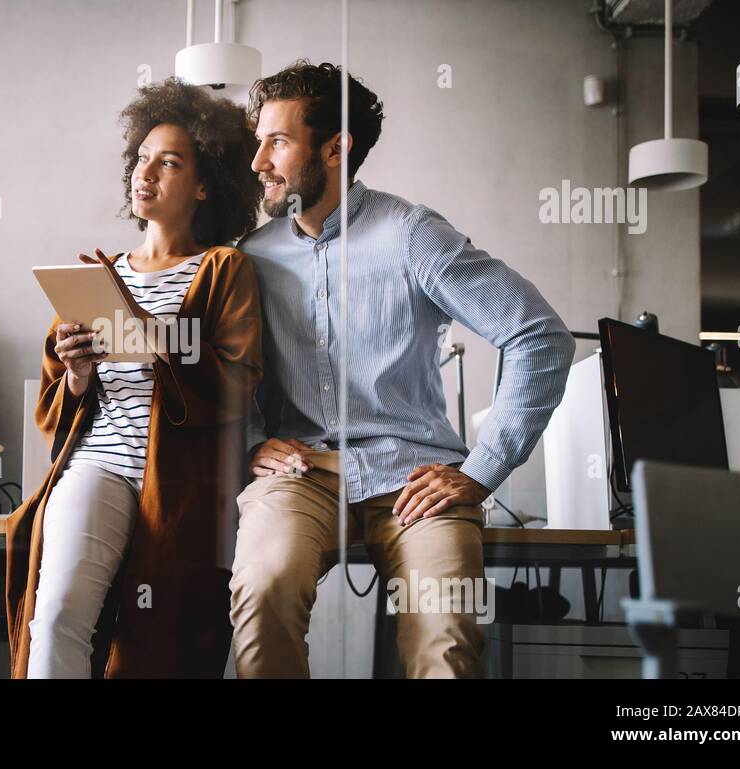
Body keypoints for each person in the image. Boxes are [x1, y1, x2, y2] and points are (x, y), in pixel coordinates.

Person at [230, 61, 576, 678]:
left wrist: (482, 469)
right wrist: (253, 441)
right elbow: (234, 373)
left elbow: (538, 336)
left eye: (277, 142)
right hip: (302, 473)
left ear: (336, 149)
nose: (258, 161)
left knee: (446, 639)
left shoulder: (411, 236)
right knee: (263, 594)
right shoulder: (250, 256)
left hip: (413, 478)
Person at [5, 78, 264, 678]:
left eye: (169, 162)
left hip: (177, 481)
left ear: (204, 185)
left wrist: (155, 345)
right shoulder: (99, 273)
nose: (146, 172)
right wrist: (76, 374)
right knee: (59, 612)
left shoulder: (224, 269)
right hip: (97, 461)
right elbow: (56, 403)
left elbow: (239, 379)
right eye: (142, 158)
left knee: (158, 634)